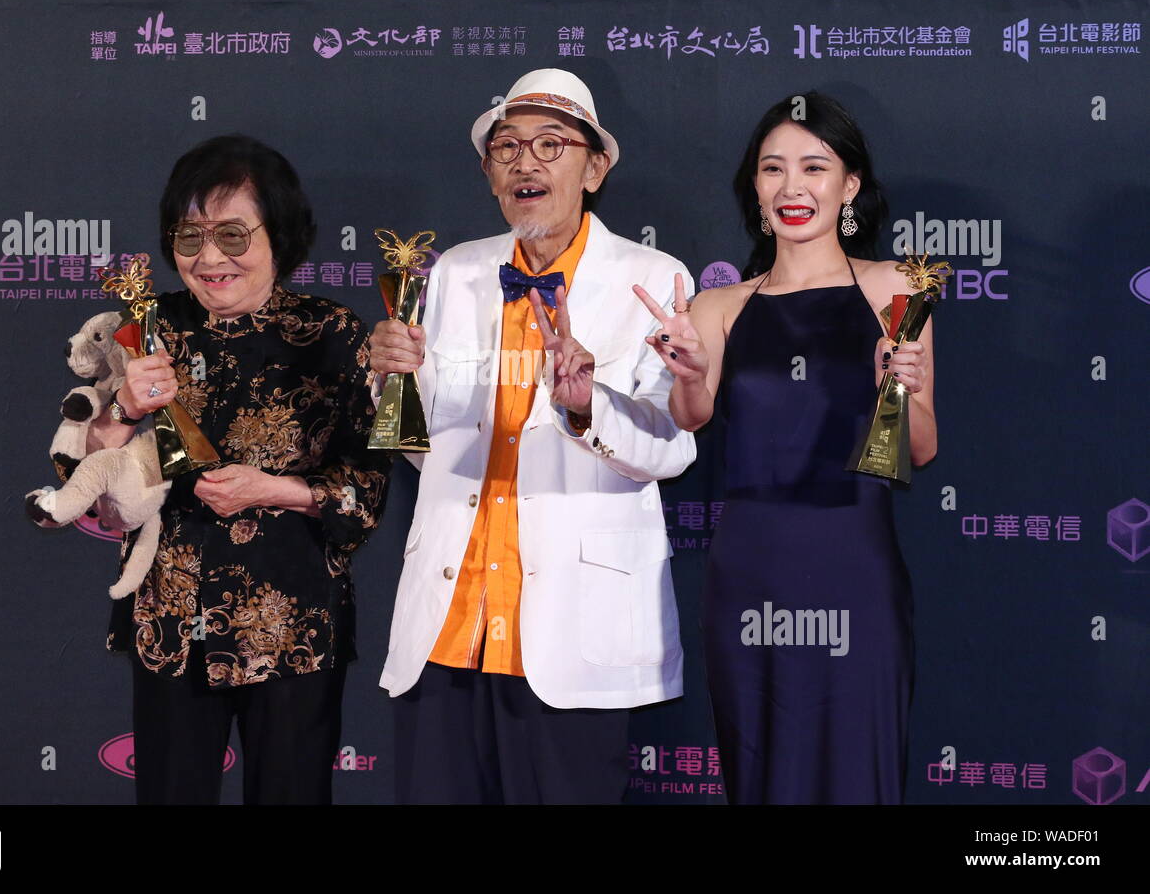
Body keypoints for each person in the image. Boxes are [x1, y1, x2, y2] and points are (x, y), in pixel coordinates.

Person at [370, 68, 696, 804]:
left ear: (596, 167)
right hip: (448, 630)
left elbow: (672, 449)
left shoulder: (653, 279)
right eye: (508, 147)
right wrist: (394, 381)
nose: (526, 162)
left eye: (552, 144)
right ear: (489, 175)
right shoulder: (452, 272)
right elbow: (425, 447)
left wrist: (586, 409)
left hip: (571, 632)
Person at [637, 92, 933, 803]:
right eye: (772, 169)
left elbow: (919, 449)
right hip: (750, 569)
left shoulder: (898, 287)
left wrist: (901, 389)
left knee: (855, 760)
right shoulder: (718, 307)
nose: (792, 187)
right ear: (755, 187)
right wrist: (684, 373)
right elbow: (692, 417)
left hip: (853, 562)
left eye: (813, 167)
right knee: (760, 758)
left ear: (849, 186)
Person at [85, 134, 389, 804]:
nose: (210, 258)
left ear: (278, 235)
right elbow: (93, 492)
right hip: (171, 617)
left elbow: (366, 494)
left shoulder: (339, 335)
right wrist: (124, 412)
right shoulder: (146, 328)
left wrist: (272, 489)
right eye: (189, 237)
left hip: (291, 624)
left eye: (231, 235)